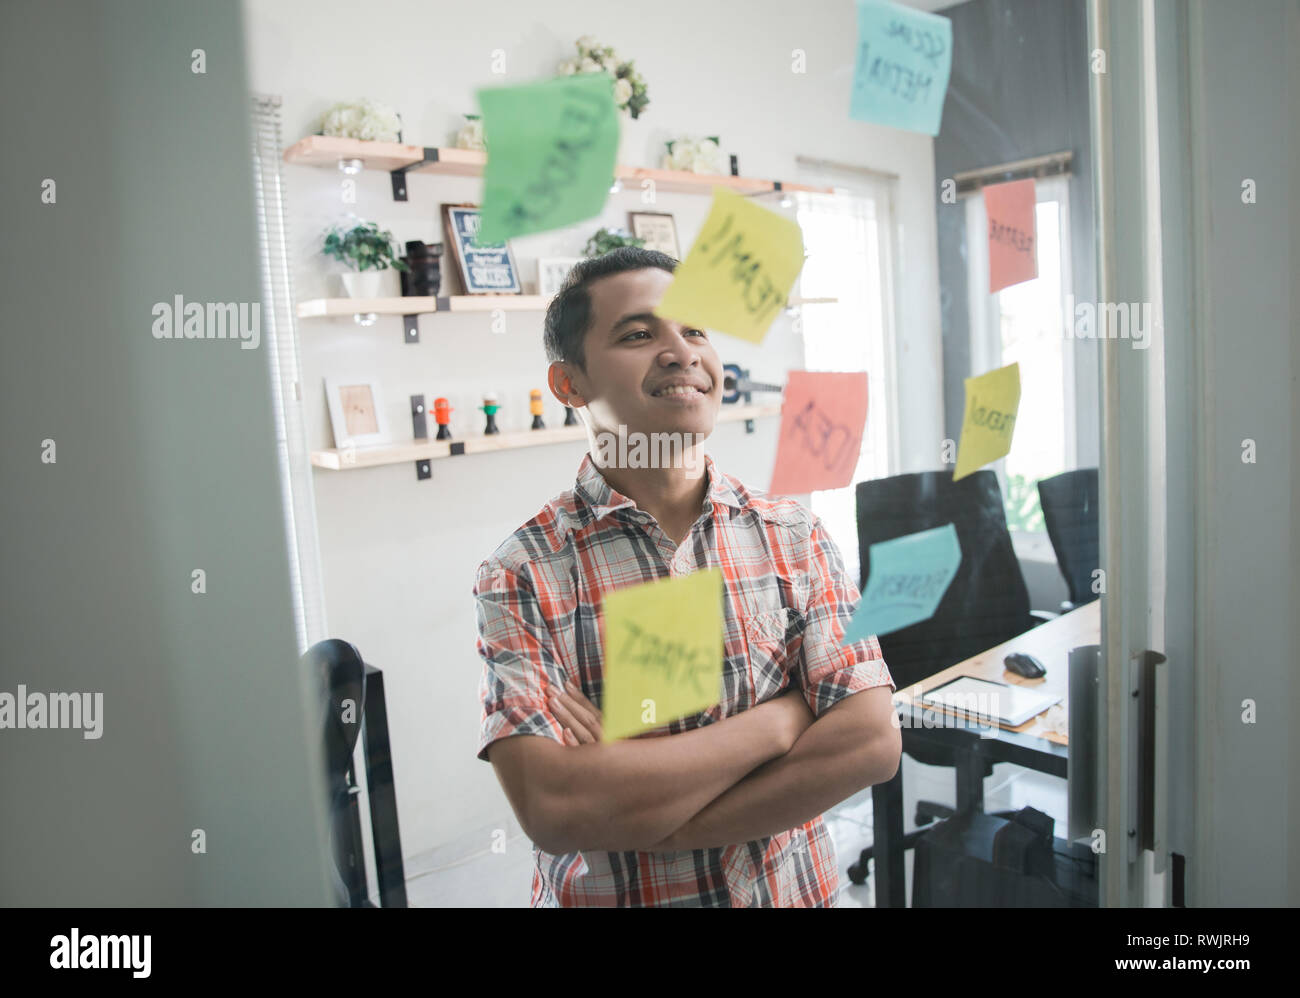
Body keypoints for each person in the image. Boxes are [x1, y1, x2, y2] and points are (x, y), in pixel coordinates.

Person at [473, 246, 900, 907]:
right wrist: (782, 721)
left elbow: (871, 742)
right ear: (570, 384)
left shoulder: (794, 536)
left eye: (694, 329)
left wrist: (649, 821)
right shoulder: (522, 573)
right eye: (639, 334)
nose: (680, 351)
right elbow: (556, 807)